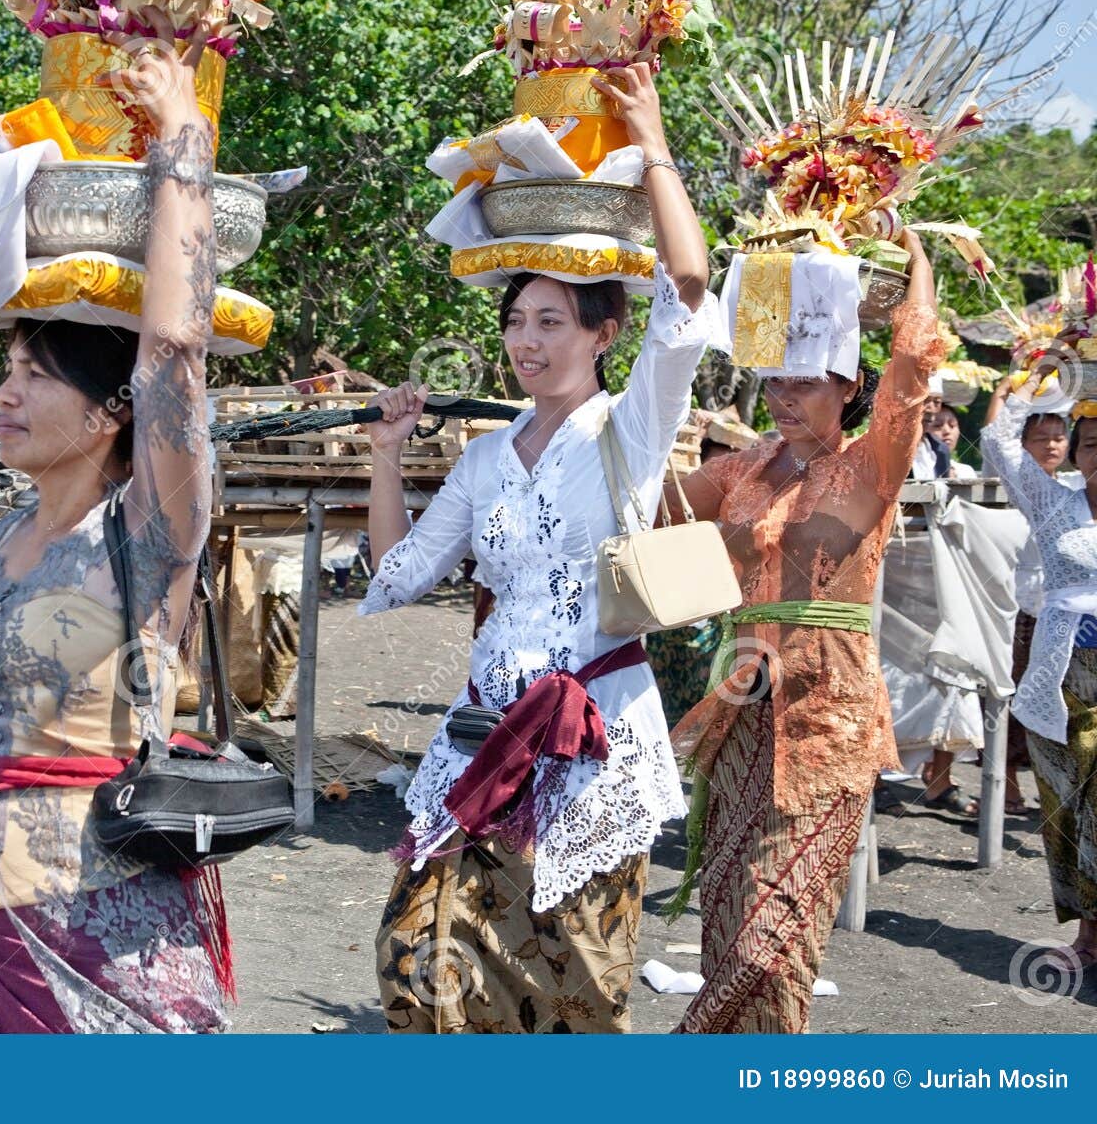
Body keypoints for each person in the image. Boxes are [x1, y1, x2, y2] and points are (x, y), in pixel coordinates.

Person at [0, 23, 230, 1034]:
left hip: (98, 939)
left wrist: (184, 145)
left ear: (112, 412)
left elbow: (173, 353)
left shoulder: (152, 532)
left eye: (36, 375)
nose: (5, 394)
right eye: (6, 368)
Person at [363, 63, 719, 1034]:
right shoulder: (483, 458)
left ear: (603, 330)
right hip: (482, 740)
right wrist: (386, 459)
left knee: (579, 996)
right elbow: (398, 575)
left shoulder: (629, 429)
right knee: (418, 963)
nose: (527, 339)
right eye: (516, 320)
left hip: (594, 745)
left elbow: (686, 293)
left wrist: (651, 148)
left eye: (550, 320)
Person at [666, 229, 946, 1033]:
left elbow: (912, 377)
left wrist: (917, 263)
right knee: (728, 924)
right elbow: (659, 506)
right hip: (740, 715)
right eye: (774, 380)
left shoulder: (869, 465)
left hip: (830, 718)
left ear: (850, 383)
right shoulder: (745, 466)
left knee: (771, 931)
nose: (784, 398)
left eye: (805, 382)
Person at [981, 358, 1097, 973]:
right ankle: (1086, 932)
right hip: (1060, 671)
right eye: (1092, 444)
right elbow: (999, 441)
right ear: (1076, 455)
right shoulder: (1053, 504)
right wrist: (1040, 382)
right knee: (1067, 804)